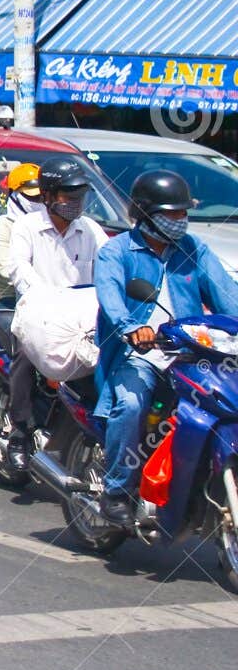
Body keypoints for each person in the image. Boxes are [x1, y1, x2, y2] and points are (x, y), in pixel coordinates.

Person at [94, 170, 238, 525]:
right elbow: (111, 300)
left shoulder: (193, 249)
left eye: (183, 213)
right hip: (141, 353)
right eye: (171, 215)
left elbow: (227, 297)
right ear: (145, 216)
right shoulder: (116, 252)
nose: (180, 221)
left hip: (194, 354)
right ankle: (116, 491)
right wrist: (134, 329)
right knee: (131, 405)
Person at [1, 155, 108, 470]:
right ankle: (19, 434)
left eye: (80, 196)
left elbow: (111, 262)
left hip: (83, 319)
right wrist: (44, 297)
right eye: (67, 195)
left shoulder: (89, 229)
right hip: (39, 314)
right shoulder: (28, 227)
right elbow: (17, 268)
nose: (75, 202)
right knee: (24, 359)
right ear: (46, 196)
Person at [0, 162, 41, 302]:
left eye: (41, 197)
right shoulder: (4, 225)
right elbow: (6, 270)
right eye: (31, 197)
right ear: (13, 196)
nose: (38, 202)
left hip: (44, 296)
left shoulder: (50, 224)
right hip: (5, 298)